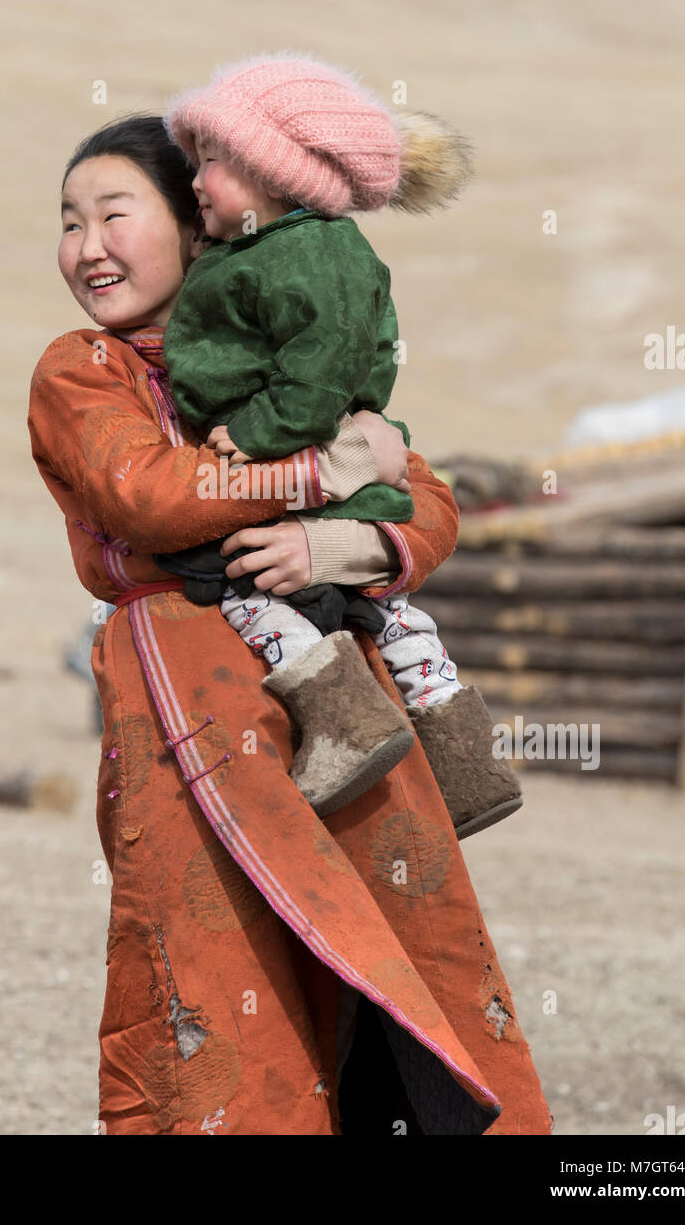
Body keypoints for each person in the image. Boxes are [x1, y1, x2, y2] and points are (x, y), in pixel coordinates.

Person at [28, 112, 553, 1135]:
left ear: (201, 222)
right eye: (67, 220)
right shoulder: (82, 369)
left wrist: (341, 549)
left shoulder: (285, 360)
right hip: (184, 708)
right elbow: (152, 496)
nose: (86, 246)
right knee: (212, 967)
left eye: (113, 214)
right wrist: (317, 477)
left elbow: (422, 494)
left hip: (340, 715)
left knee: (404, 963)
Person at [154, 52, 521, 830]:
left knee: (252, 595)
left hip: (295, 473)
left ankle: (344, 727)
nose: (196, 181)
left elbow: (322, 370)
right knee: (393, 621)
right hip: (329, 480)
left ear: (276, 172)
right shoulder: (268, 250)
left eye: (213, 162)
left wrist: (256, 434)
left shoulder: (312, 253)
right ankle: (464, 764)